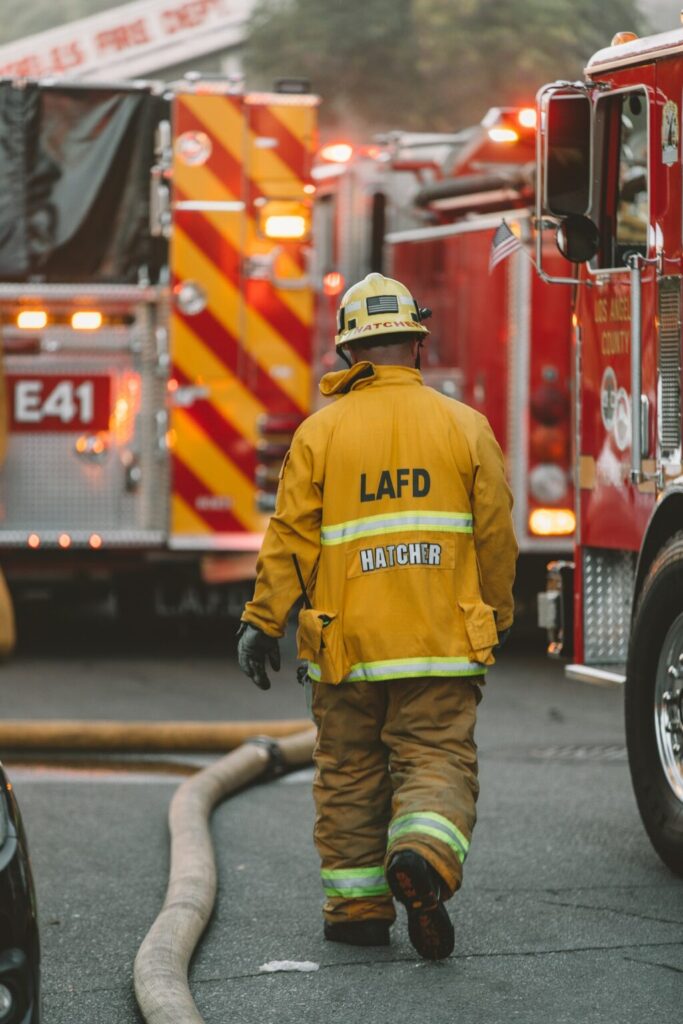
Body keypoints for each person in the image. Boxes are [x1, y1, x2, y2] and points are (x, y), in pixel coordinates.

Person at [237, 273, 517, 960]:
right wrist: (497, 617)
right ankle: (420, 854)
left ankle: (356, 908)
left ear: (347, 357)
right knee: (434, 758)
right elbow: (495, 539)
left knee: (349, 773)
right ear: (417, 348)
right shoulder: (465, 427)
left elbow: (289, 541)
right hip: (441, 643)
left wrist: (262, 621)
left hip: (345, 650)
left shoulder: (318, 434)